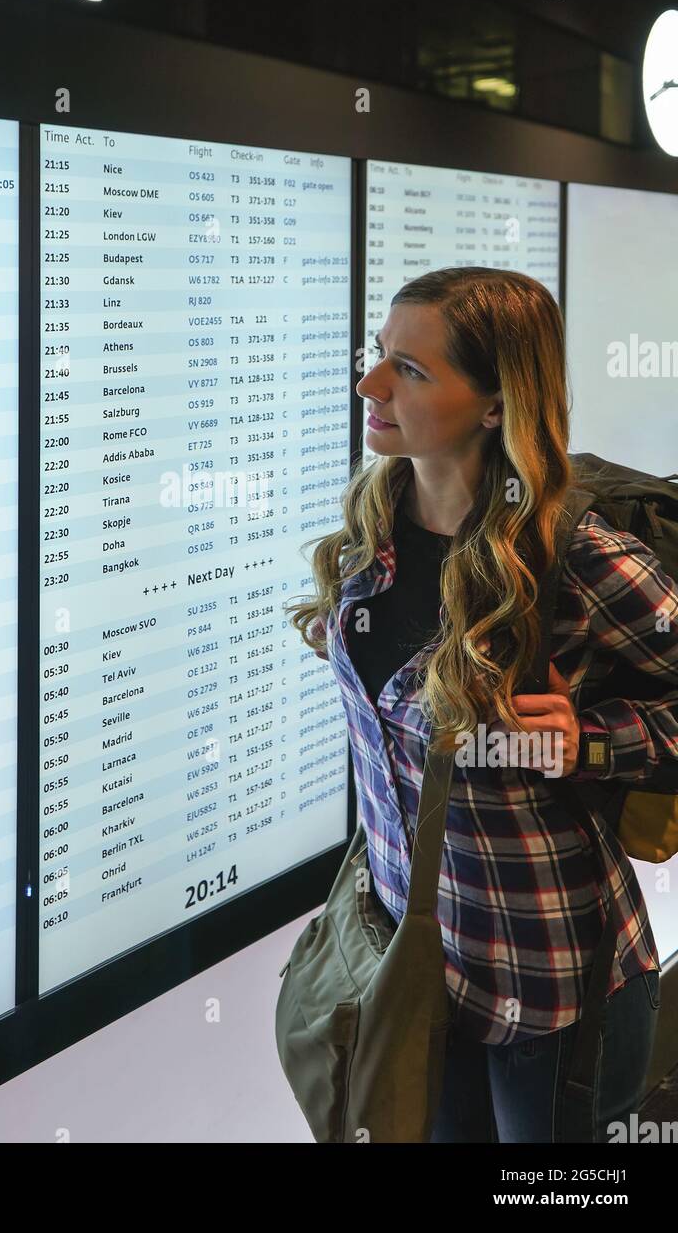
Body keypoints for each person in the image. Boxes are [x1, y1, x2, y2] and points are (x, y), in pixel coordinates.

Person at [287, 267, 676, 1143]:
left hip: (549, 981)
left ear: (496, 404)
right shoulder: (374, 521)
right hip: (418, 966)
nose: (370, 385)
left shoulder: (572, 554)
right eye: (377, 356)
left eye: (411, 372)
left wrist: (595, 740)